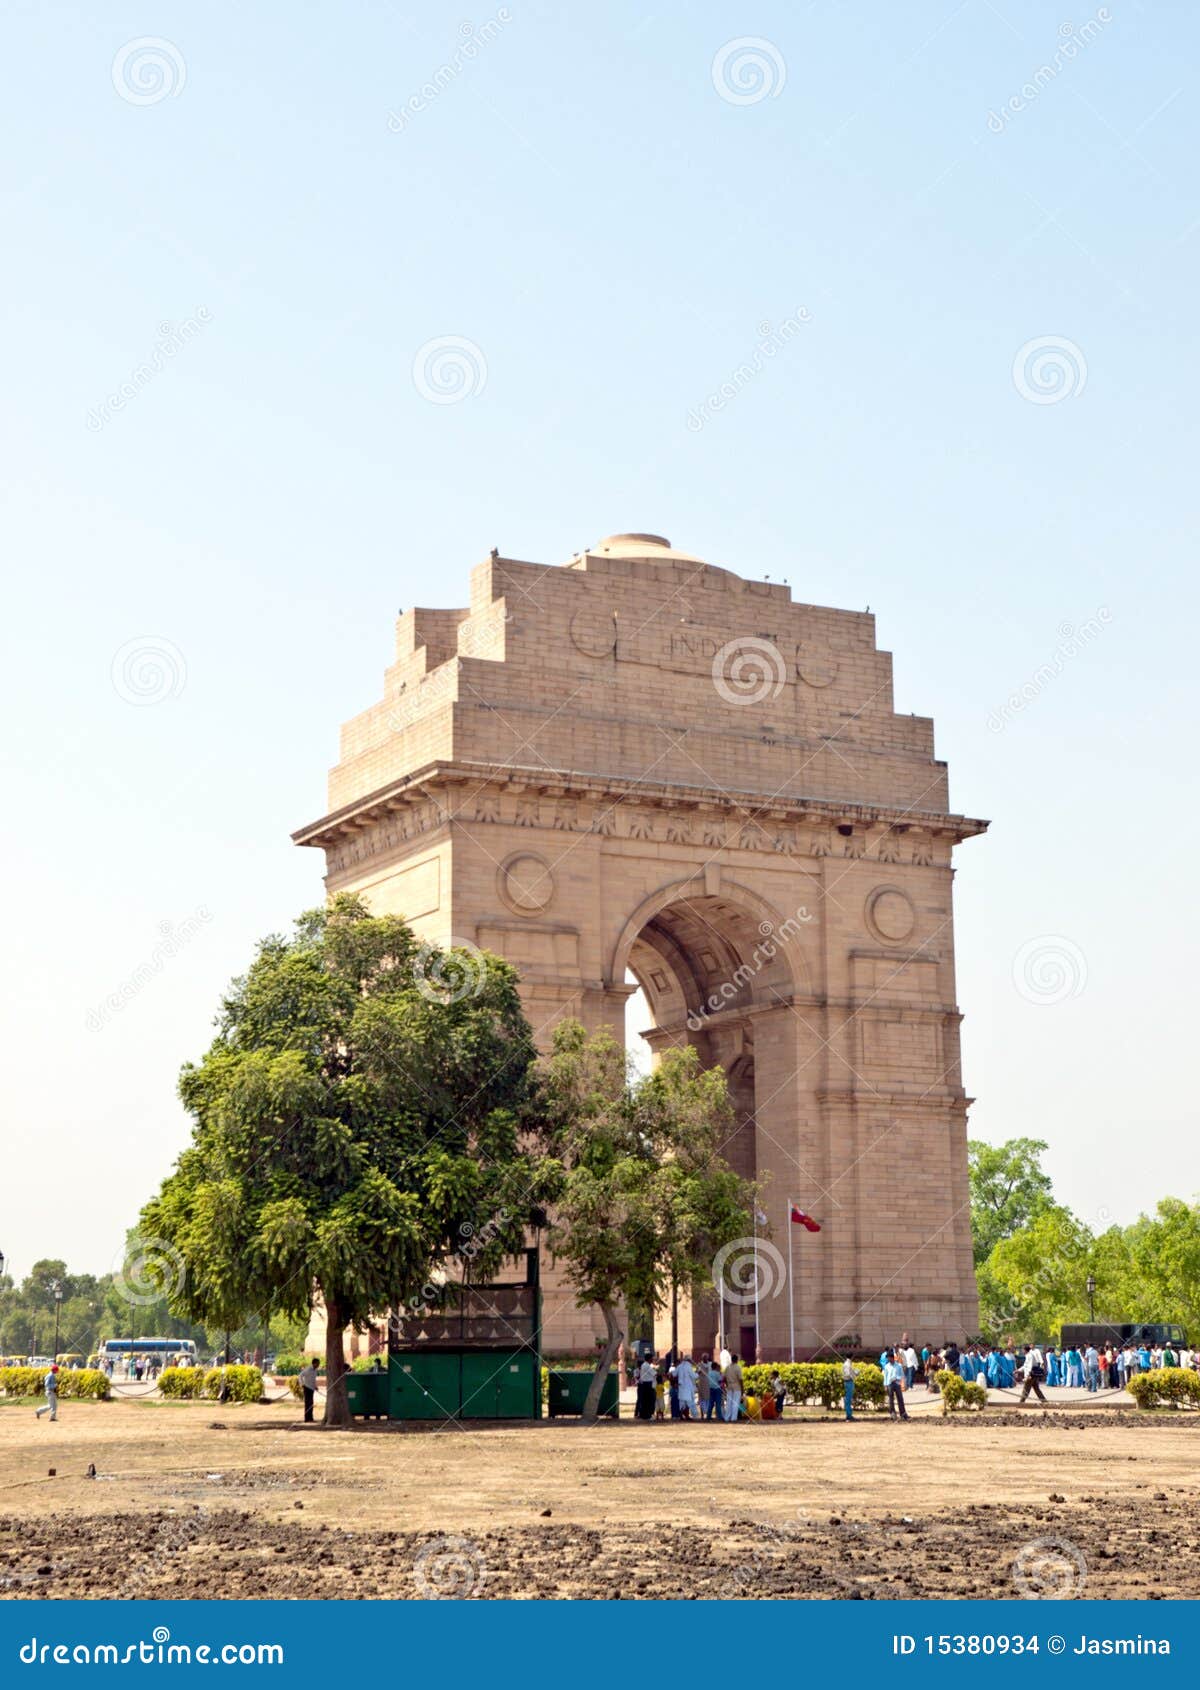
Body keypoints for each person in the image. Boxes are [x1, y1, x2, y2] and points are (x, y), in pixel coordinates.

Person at [884, 1349, 909, 1420]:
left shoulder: (898, 1365)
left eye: (889, 1357)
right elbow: (885, 1376)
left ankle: (903, 1413)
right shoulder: (886, 1366)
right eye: (887, 1358)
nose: (888, 1359)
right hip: (889, 1384)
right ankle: (892, 1413)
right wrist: (885, 1385)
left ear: (892, 1357)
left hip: (897, 1383)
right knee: (891, 1399)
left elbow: (902, 1375)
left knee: (900, 1399)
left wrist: (897, 1378)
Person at [723, 1353, 743, 1422]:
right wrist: (742, 1388)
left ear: (731, 1360)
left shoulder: (727, 1367)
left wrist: (727, 1384)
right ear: (737, 1360)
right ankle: (733, 1418)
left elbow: (724, 1378)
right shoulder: (738, 1367)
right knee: (735, 1402)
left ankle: (727, 1417)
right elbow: (740, 1379)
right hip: (737, 1386)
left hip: (729, 1386)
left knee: (729, 1403)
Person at [298, 1357, 319, 1423]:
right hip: (306, 1388)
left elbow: (313, 1379)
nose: (318, 1365)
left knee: (311, 1403)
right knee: (307, 1403)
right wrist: (302, 1384)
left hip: (312, 1388)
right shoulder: (308, 1369)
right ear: (314, 1363)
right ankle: (306, 1418)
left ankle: (311, 1418)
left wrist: (315, 1386)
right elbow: (300, 1375)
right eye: (317, 1364)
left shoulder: (315, 1370)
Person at [676, 1354, 696, 1420]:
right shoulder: (688, 1367)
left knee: (682, 1401)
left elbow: (674, 1373)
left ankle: (681, 1415)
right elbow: (693, 1376)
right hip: (688, 1386)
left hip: (681, 1386)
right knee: (688, 1401)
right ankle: (686, 1416)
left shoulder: (679, 1366)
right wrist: (698, 1373)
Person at [635, 1356, 656, 1420]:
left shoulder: (644, 1365)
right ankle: (648, 1415)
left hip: (645, 1384)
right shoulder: (647, 1366)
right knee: (649, 1400)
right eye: (652, 1358)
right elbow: (654, 1374)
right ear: (649, 1359)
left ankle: (644, 1415)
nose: (653, 1360)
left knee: (645, 1400)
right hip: (648, 1384)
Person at [697, 1354, 711, 1418]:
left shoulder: (710, 1364)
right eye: (704, 1358)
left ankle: (707, 1414)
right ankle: (702, 1414)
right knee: (701, 1399)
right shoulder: (699, 1365)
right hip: (701, 1384)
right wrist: (699, 1371)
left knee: (708, 1399)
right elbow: (696, 1373)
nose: (705, 1359)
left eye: (706, 1358)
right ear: (702, 1358)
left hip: (708, 1384)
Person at [842, 1354, 856, 1421]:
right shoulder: (847, 1364)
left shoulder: (848, 1363)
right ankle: (848, 1416)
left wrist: (854, 1373)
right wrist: (854, 1374)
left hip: (849, 1382)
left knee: (849, 1399)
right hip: (848, 1382)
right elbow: (848, 1374)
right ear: (852, 1357)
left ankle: (849, 1415)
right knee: (848, 1400)